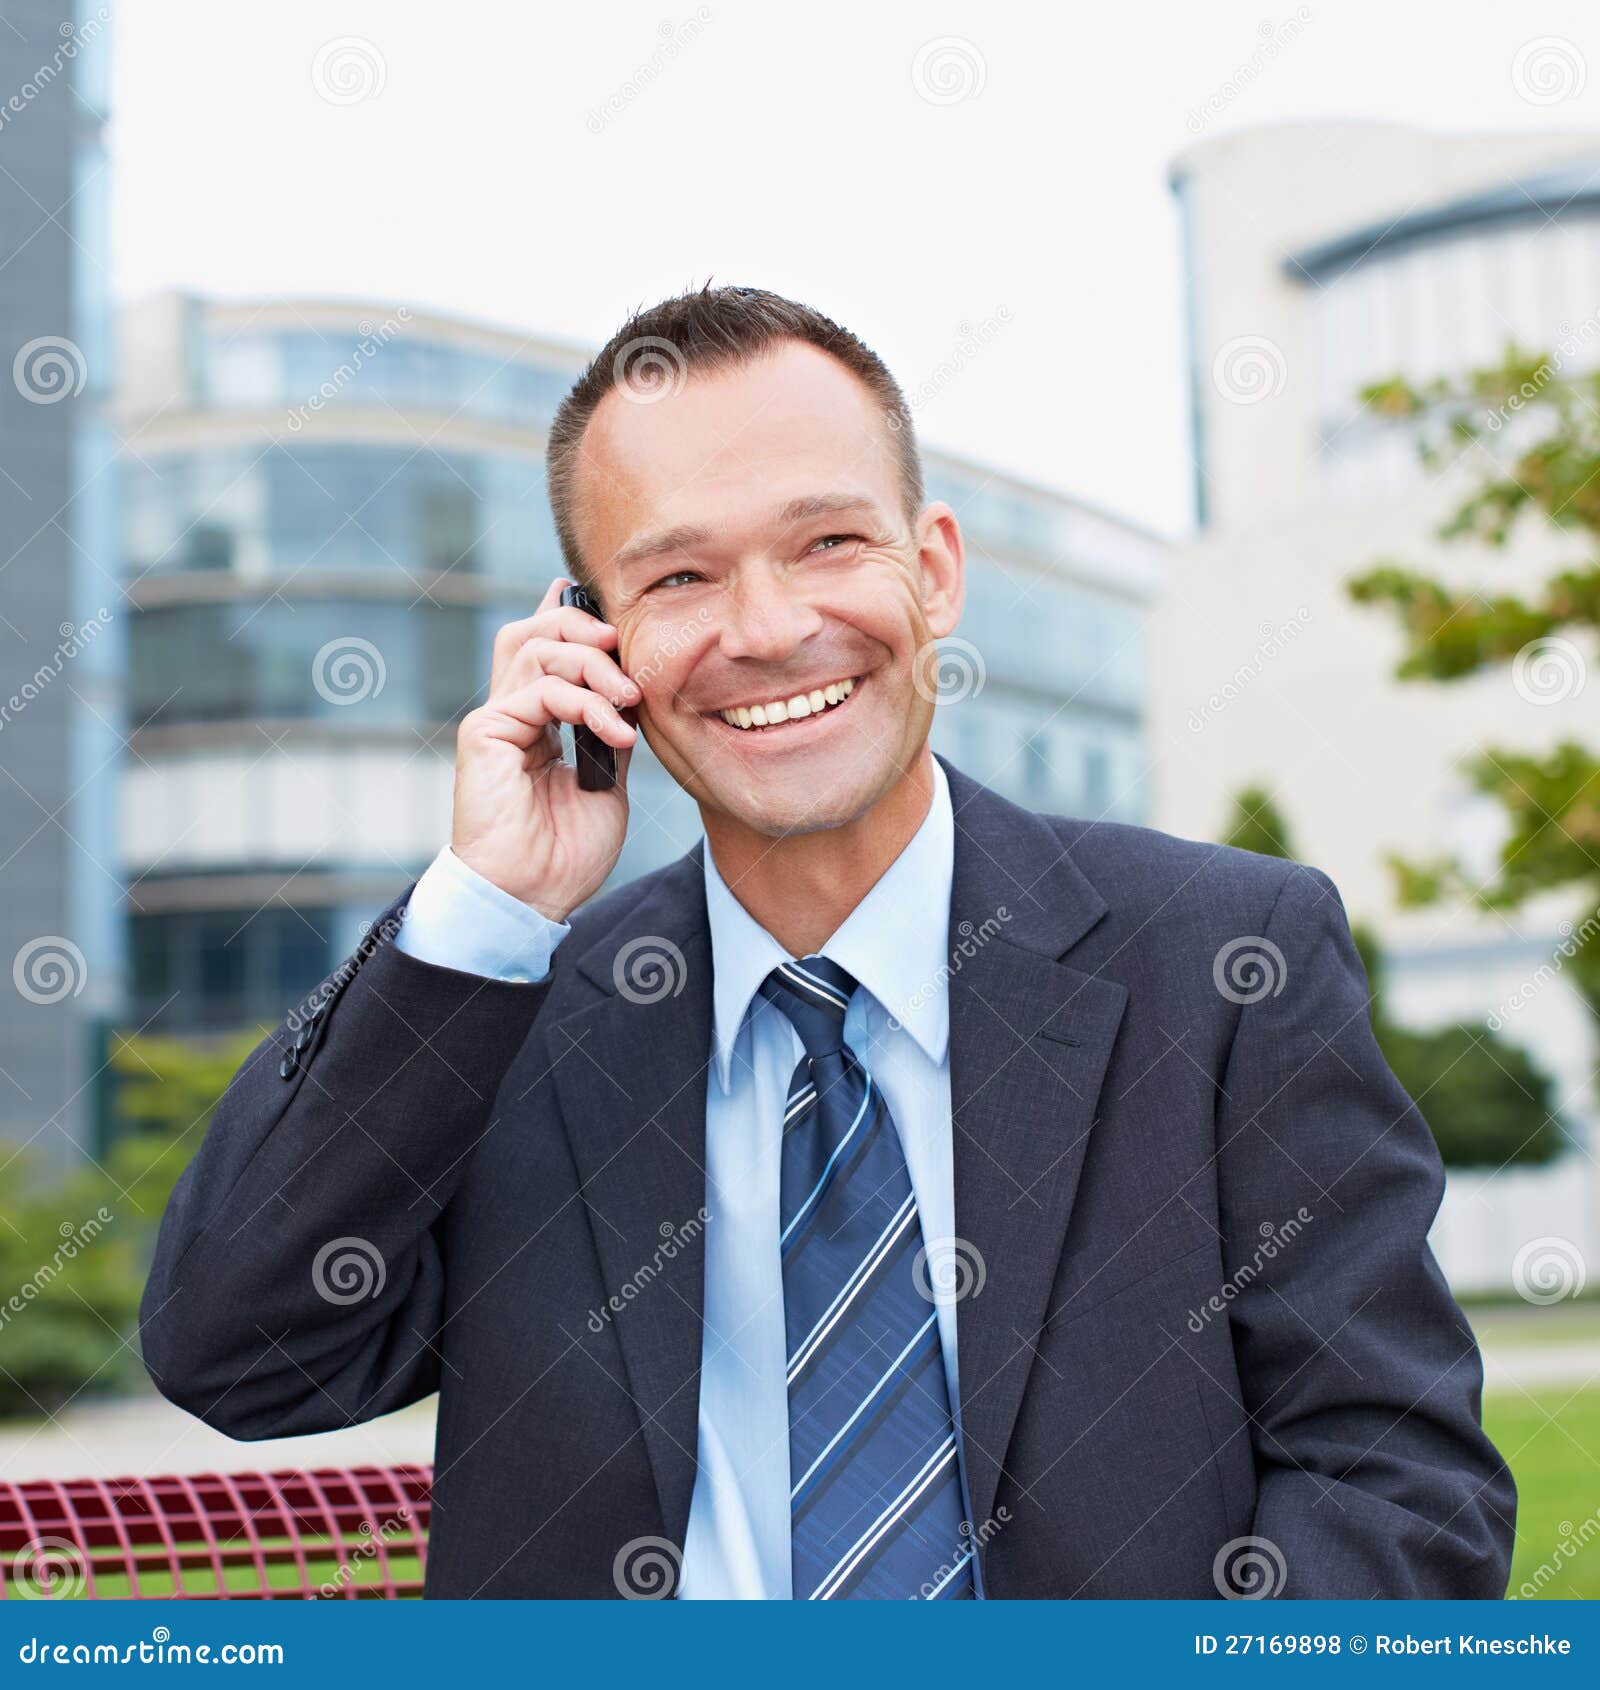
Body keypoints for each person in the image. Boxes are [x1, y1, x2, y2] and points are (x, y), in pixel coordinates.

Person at [139, 283, 1514, 1600]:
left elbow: (1397, 1481)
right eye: (678, 575)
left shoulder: (1222, 965)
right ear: (592, 640)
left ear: (935, 571)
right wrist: (485, 907)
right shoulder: (514, 1016)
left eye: (828, 544)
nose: (771, 628)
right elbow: (242, 1351)